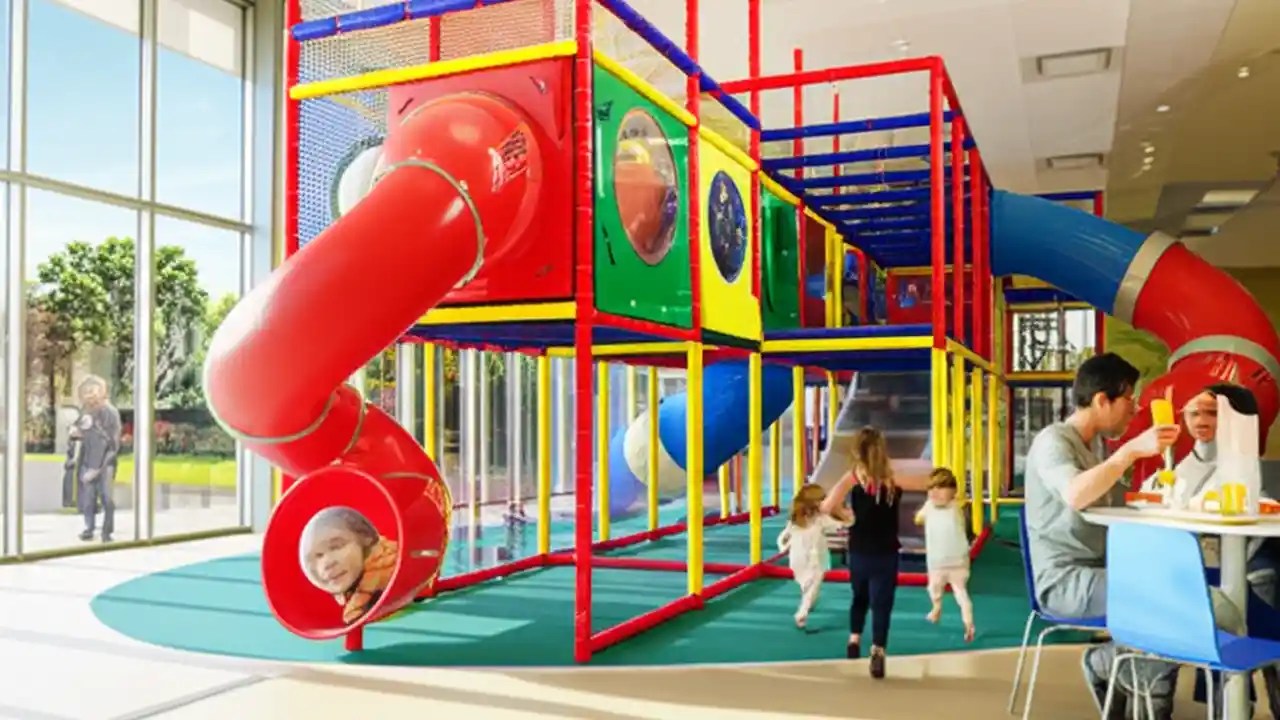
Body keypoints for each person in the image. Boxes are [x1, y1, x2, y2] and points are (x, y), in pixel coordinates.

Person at [1023, 353, 1244, 719]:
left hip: (1107, 570)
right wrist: (1129, 452)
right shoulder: (1053, 441)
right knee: (1191, 603)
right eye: (1130, 399)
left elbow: (1115, 499)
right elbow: (1076, 494)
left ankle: (1129, 670)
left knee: (1192, 594)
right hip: (1066, 581)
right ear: (1101, 400)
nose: (1135, 409)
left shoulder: (1093, 446)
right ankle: (1119, 666)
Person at [820, 426, 901, 679]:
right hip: (887, 550)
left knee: (860, 596)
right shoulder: (891, 478)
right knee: (882, 603)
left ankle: (854, 639)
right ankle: (877, 649)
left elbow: (826, 506)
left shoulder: (853, 477)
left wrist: (846, 515)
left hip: (860, 550)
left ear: (857, 450)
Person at [299, 506, 399, 625]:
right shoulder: (355, 587)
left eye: (337, 547)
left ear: (365, 537)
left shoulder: (390, 565)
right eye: (318, 556)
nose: (328, 563)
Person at [777, 483, 852, 629]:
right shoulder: (819, 518)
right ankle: (802, 612)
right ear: (815, 502)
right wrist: (848, 519)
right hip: (813, 556)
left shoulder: (796, 520)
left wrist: (783, 547)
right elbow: (839, 525)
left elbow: (783, 537)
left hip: (798, 556)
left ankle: (807, 602)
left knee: (808, 583)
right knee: (813, 583)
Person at [914, 467, 974, 642]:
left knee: (960, 593)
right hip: (938, 561)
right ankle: (937, 607)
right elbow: (918, 518)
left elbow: (920, 517)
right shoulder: (930, 506)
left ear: (953, 491)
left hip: (956, 561)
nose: (935, 492)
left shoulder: (956, 507)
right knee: (934, 588)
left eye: (941, 488)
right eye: (931, 489)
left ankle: (968, 623)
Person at [73, 375, 122, 543]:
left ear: (102, 392)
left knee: (107, 497)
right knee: (88, 498)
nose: (89, 395)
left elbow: (113, 445)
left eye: (92, 391)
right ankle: (89, 528)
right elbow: (81, 431)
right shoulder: (85, 411)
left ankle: (107, 531)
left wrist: (98, 469)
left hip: (105, 462)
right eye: (86, 392)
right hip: (88, 460)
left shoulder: (110, 412)